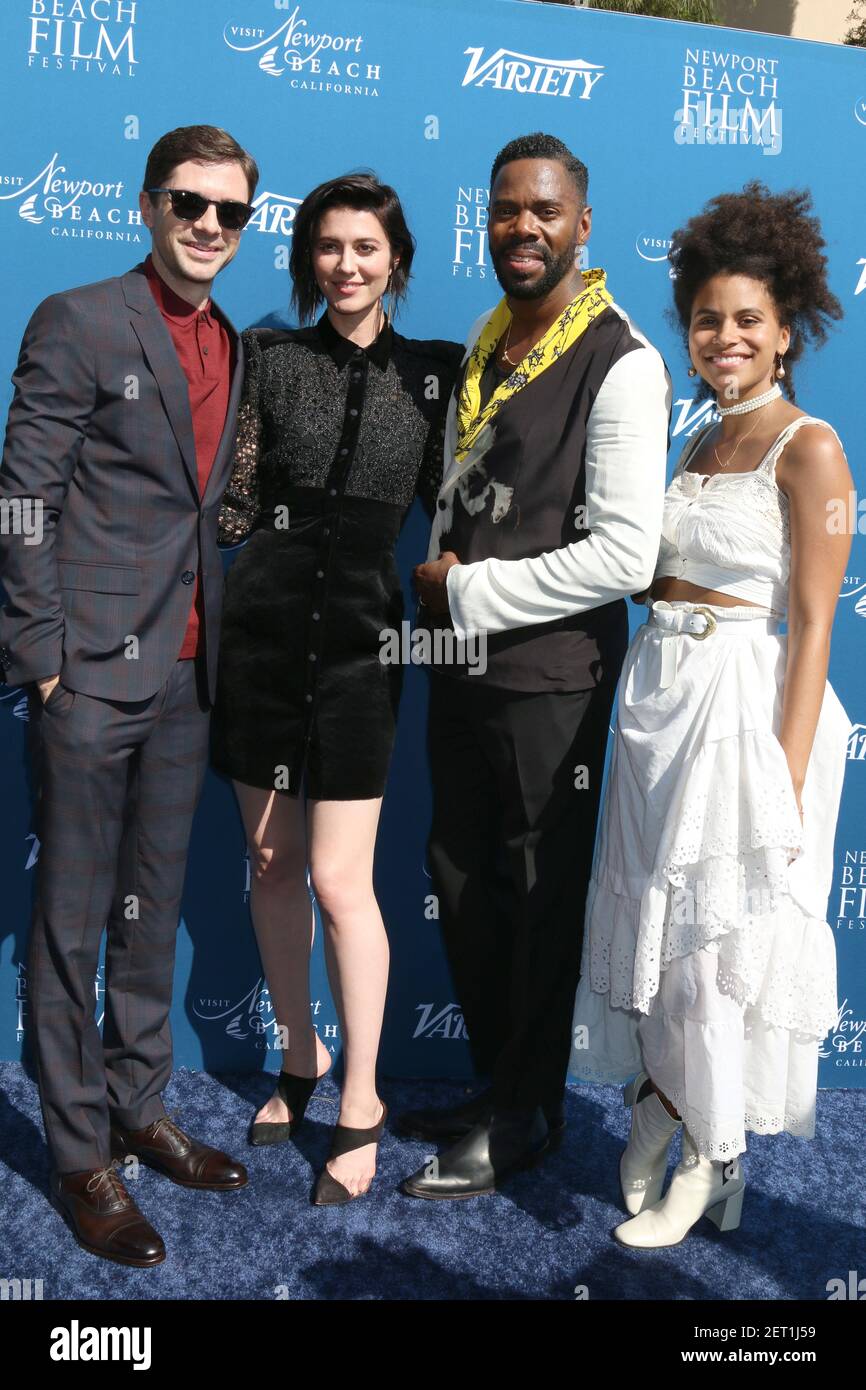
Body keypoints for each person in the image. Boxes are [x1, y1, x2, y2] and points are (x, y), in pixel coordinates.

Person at [570, 180, 852, 1247]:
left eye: (746, 320)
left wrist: (780, 777)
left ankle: (709, 1151)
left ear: (784, 332)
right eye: (706, 318)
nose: (723, 335)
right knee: (651, 919)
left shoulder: (809, 448)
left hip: (743, 709)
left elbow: (815, 624)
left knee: (708, 940)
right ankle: (662, 1099)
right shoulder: (691, 442)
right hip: (656, 697)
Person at [0, 126, 258, 1265]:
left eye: (230, 212)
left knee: (149, 909)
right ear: (149, 204)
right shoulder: (80, 316)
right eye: (189, 202)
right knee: (69, 923)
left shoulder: (233, 343)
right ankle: (77, 1153)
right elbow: (21, 497)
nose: (208, 226)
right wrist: (40, 654)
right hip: (90, 675)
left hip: (189, 677)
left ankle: (138, 1106)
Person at [400, 132, 672, 1200]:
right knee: (461, 886)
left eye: (543, 211)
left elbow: (622, 555)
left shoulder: (622, 360)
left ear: (582, 225)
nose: (522, 227)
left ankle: (528, 1113)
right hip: (460, 670)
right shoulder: (490, 334)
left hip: (550, 681)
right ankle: (492, 1084)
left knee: (532, 894)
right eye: (506, 208)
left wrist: (465, 592)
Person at [211, 173, 462, 1205]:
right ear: (308, 260)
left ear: (394, 257)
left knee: (337, 881)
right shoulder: (267, 360)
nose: (345, 264)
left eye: (364, 246)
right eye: (327, 247)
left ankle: (360, 1098)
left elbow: (458, 520)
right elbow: (231, 504)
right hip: (262, 642)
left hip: (363, 653)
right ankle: (298, 1053)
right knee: (269, 862)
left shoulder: (437, 376)